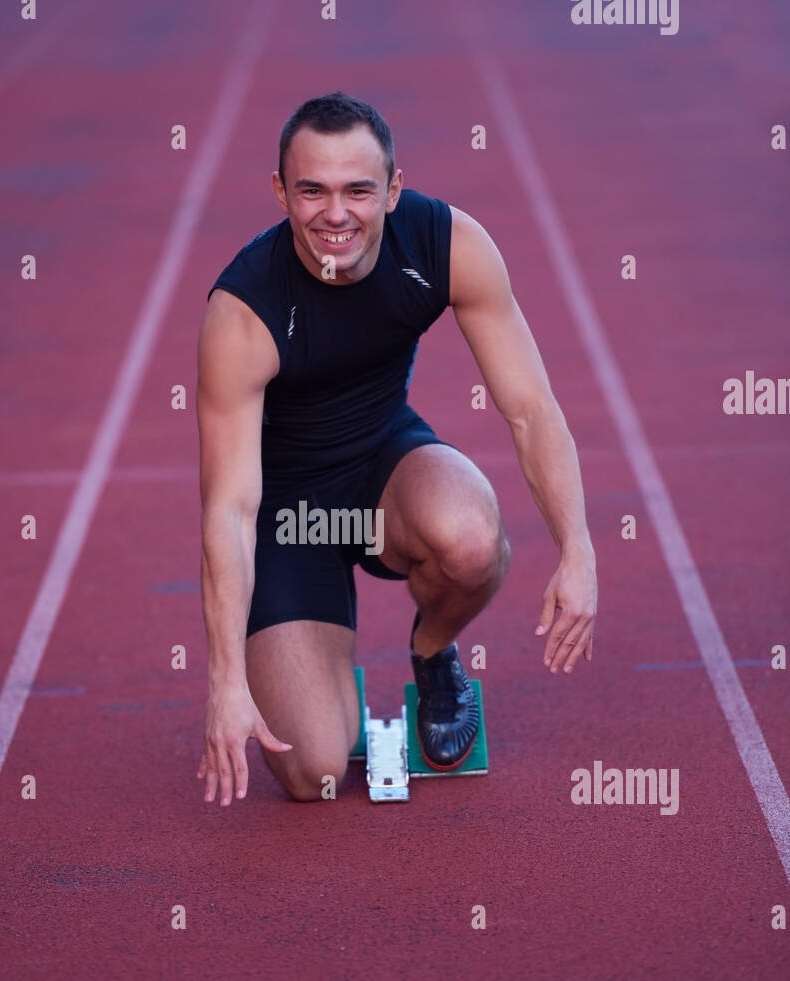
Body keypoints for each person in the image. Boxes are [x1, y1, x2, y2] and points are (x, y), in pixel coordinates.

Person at [196, 93, 596, 805]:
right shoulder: (242, 310)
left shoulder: (447, 245)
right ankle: (311, 673)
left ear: (393, 189)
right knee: (314, 773)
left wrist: (578, 550)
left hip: (385, 473)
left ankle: (432, 652)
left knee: (471, 539)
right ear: (280, 191)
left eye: (358, 189)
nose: (335, 213)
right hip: (292, 520)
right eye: (311, 189)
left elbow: (531, 410)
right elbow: (229, 506)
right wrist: (226, 681)